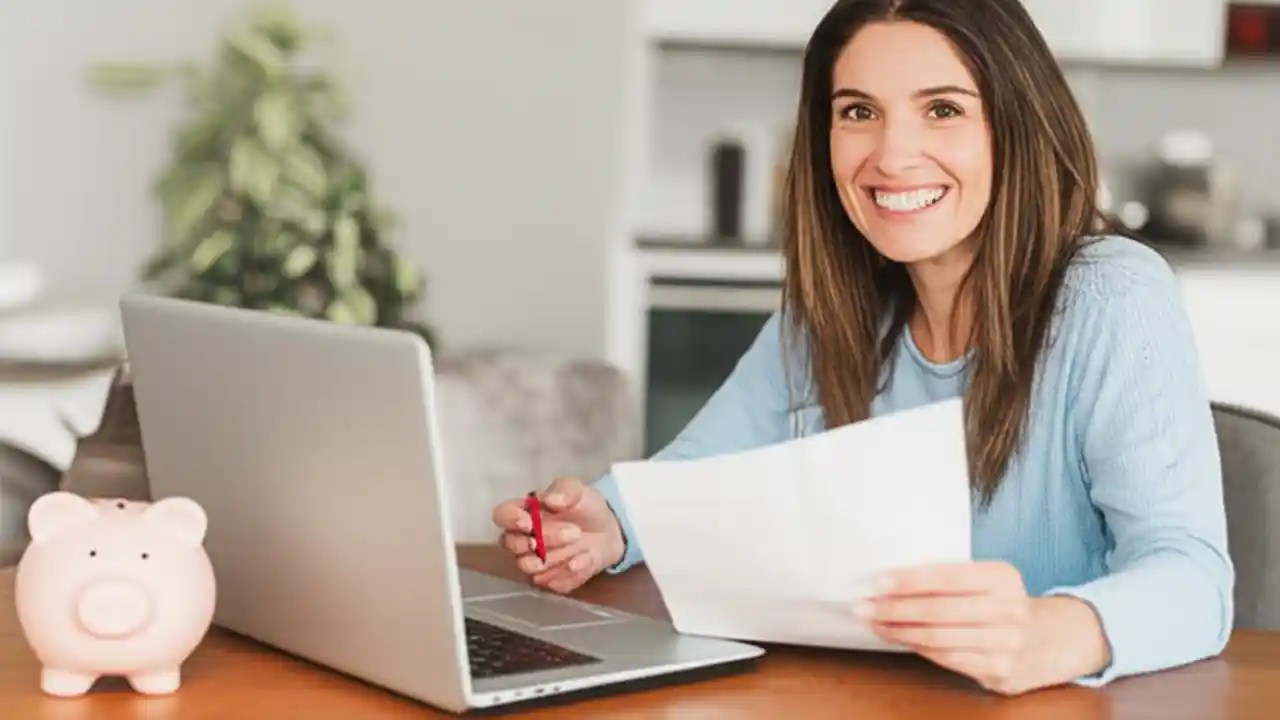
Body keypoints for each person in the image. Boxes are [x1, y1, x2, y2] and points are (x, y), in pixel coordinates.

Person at [491, 0, 1233, 696]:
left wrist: (1048, 633)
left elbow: (1193, 578)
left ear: (1016, 125)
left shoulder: (1111, 296)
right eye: (858, 113)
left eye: (942, 110)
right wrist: (611, 524)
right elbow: (697, 472)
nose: (891, 154)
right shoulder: (835, 310)